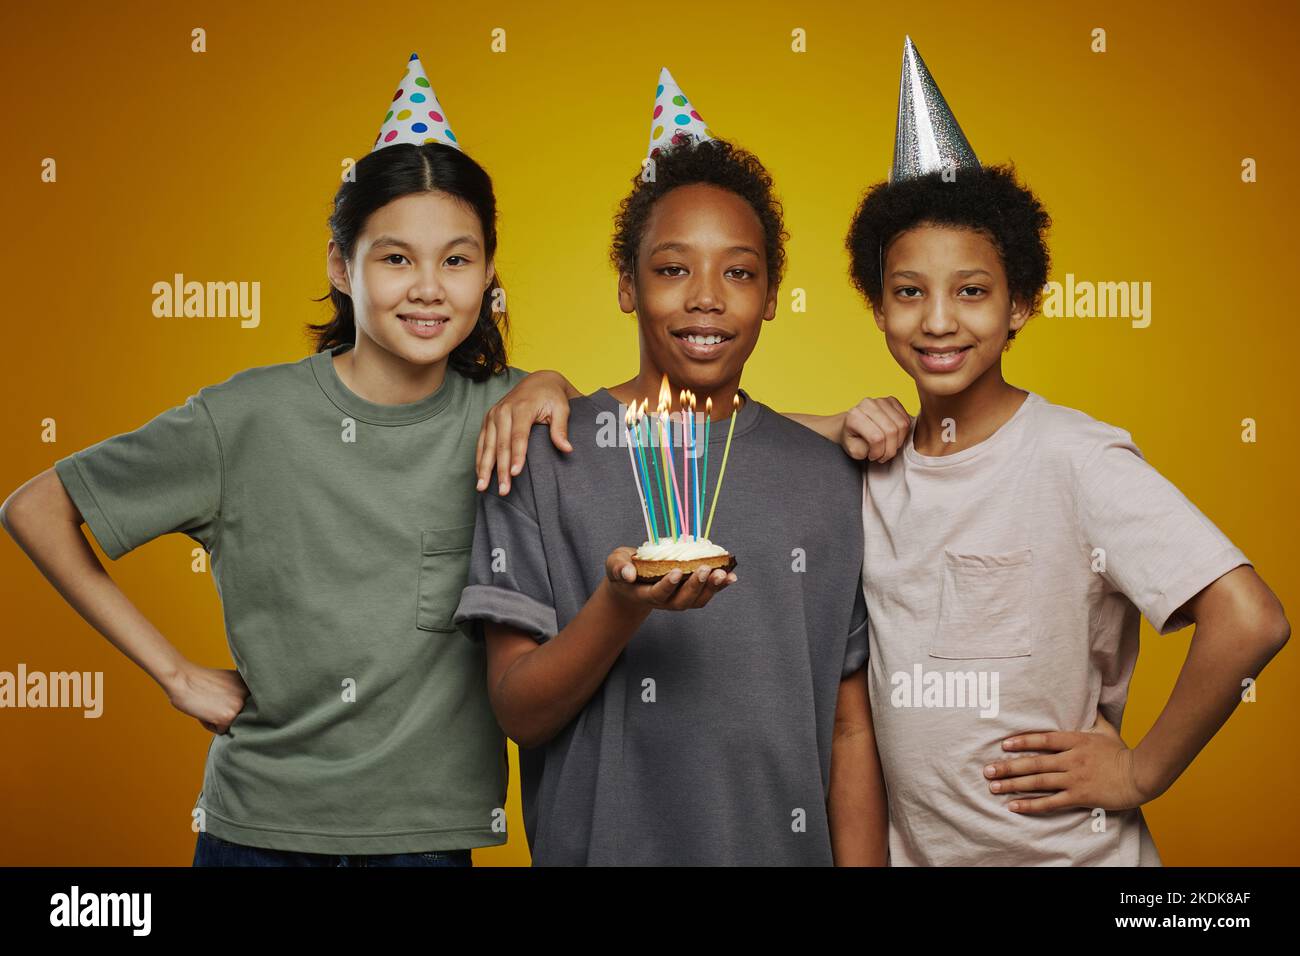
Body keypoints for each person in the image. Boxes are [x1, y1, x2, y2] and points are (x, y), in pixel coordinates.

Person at [0, 53, 539, 866]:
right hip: (259, 837)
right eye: (396, 258)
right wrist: (176, 675)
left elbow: (686, 430)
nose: (429, 286)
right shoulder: (246, 418)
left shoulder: (514, 412)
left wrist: (555, 384)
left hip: (431, 840)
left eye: (456, 260)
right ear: (340, 267)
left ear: (488, 275)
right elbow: (34, 506)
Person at [453, 69, 889, 865]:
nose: (707, 298)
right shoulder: (540, 454)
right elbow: (518, 710)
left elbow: (848, 724)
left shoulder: (825, 478)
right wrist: (620, 606)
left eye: (739, 272)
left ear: (770, 296)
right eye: (672, 268)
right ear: (627, 284)